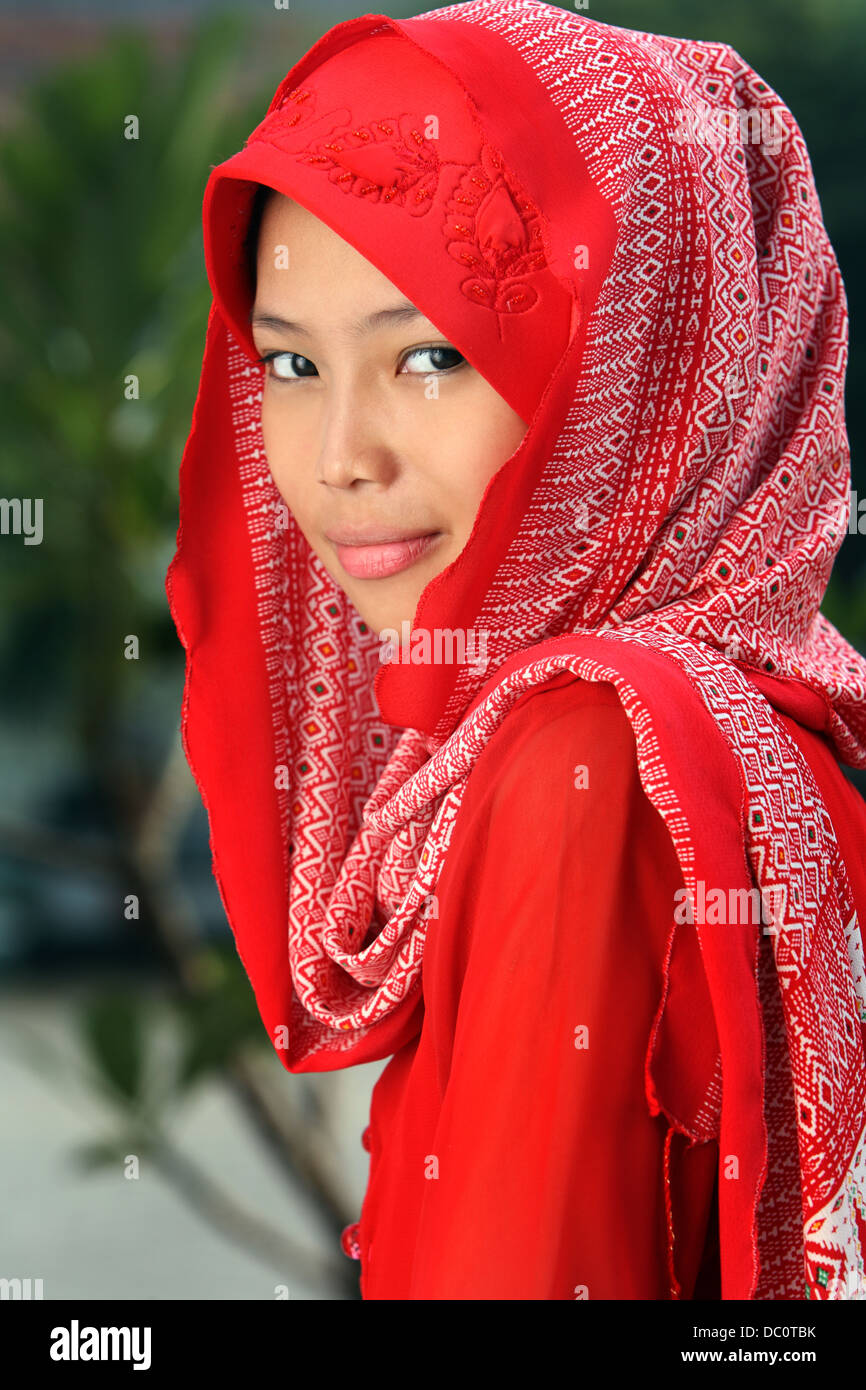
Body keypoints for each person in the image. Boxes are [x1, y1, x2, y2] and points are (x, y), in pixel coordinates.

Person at [166, 0, 866, 1299]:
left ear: (639, 364)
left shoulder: (584, 759)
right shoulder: (789, 729)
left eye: (428, 354)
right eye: (290, 366)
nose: (338, 460)